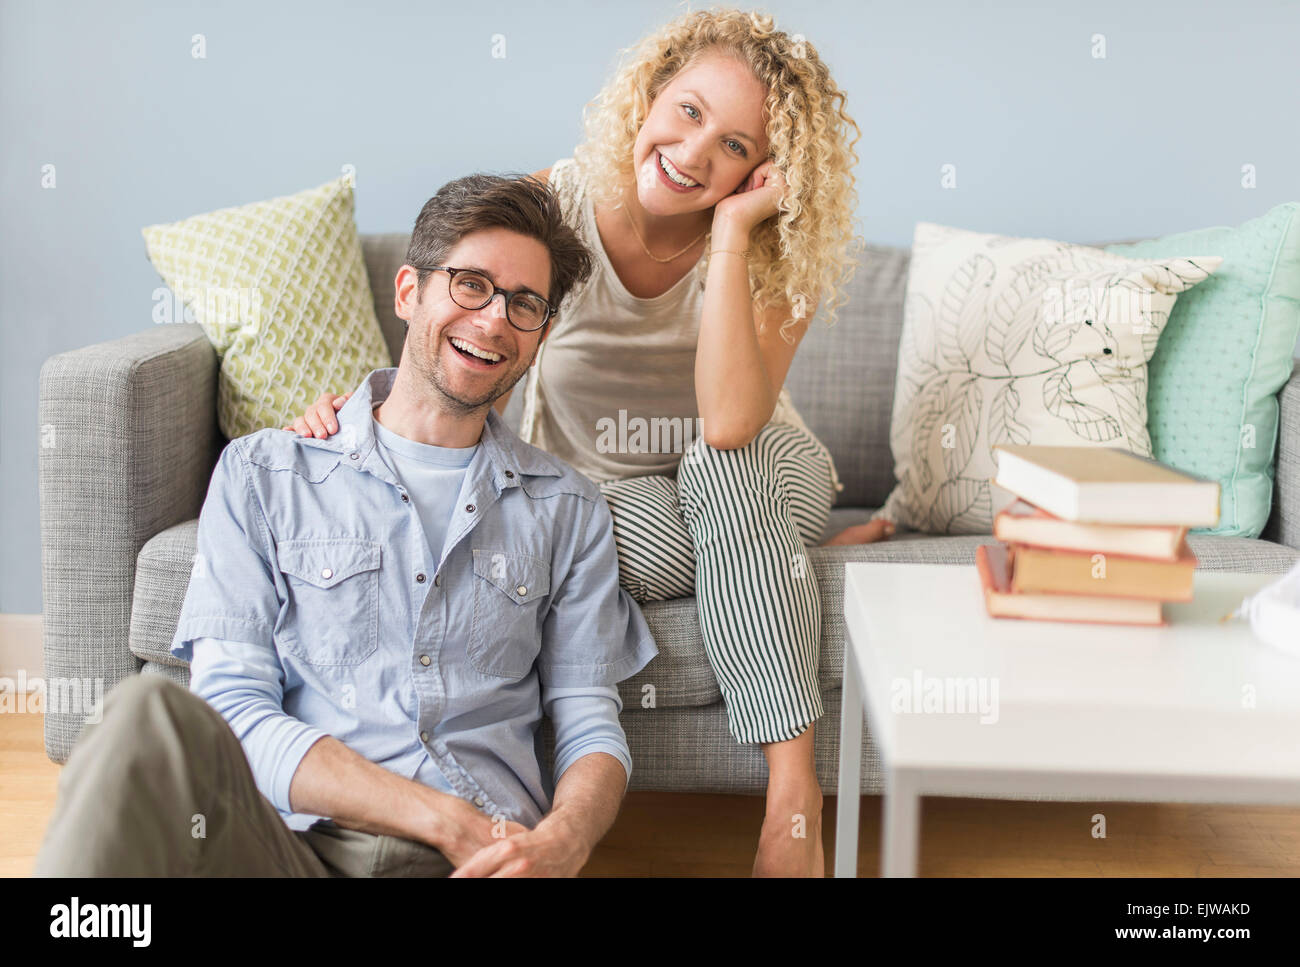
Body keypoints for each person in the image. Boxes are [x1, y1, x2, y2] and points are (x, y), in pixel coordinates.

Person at [288, 8, 891, 877]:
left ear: (764, 170)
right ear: (647, 96)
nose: (693, 154)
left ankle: (792, 799)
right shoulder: (558, 208)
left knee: (721, 475)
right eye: (687, 112)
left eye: (731, 147)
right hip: (609, 497)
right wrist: (346, 417)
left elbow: (727, 426)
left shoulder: (775, 258)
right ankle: (782, 557)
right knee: (603, 536)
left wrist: (729, 237)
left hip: (765, 467)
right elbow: (457, 328)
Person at [34, 173, 657, 878]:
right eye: (471, 284)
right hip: (293, 852)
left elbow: (588, 723)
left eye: (524, 304)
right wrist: (437, 817)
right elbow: (233, 709)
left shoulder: (567, 509)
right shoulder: (265, 474)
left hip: (477, 864)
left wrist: (564, 839)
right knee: (144, 711)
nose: (493, 319)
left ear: (540, 335)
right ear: (407, 292)